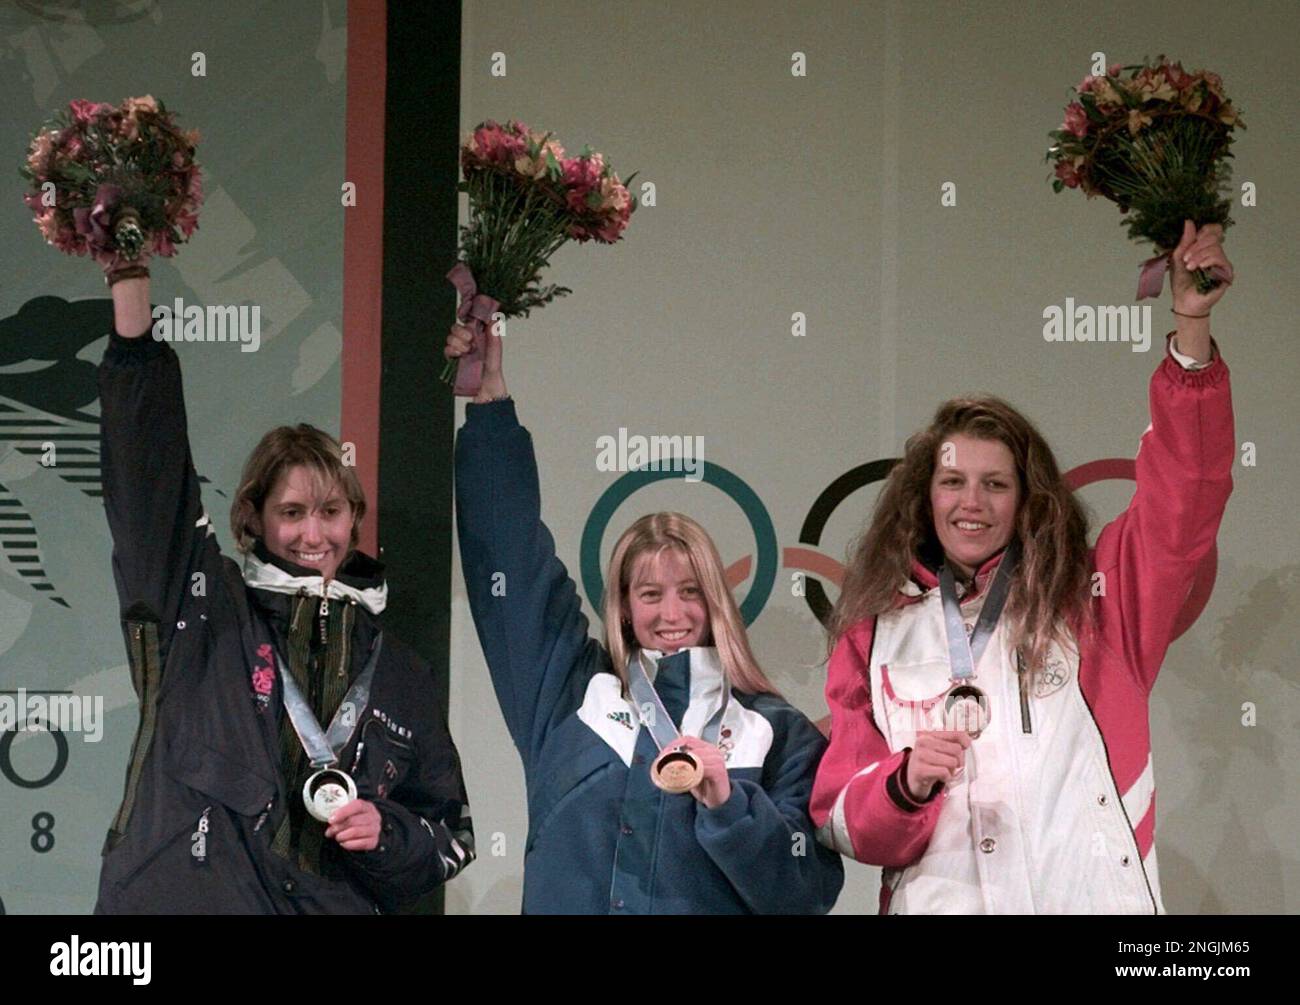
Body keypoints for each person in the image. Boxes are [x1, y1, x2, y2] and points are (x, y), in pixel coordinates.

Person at [810, 221, 1235, 914]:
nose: (970, 503)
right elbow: (839, 814)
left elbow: (1188, 493)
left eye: (995, 484)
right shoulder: (874, 629)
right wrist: (905, 781)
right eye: (952, 483)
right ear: (924, 492)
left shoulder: (1096, 603)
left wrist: (1191, 330)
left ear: (1027, 497)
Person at [94, 261, 474, 914]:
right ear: (255, 518)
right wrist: (132, 305)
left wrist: (389, 832)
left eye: (330, 511)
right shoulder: (205, 613)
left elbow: (451, 831)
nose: (313, 533)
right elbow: (147, 473)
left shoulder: (399, 673)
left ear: (355, 519)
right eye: (291, 512)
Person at [447, 323, 844, 914]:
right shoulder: (570, 698)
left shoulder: (778, 733)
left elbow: (804, 894)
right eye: (649, 593)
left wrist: (729, 804)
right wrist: (490, 410)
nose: (672, 613)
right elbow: (509, 561)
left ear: (718, 601)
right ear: (625, 608)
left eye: (691, 591)